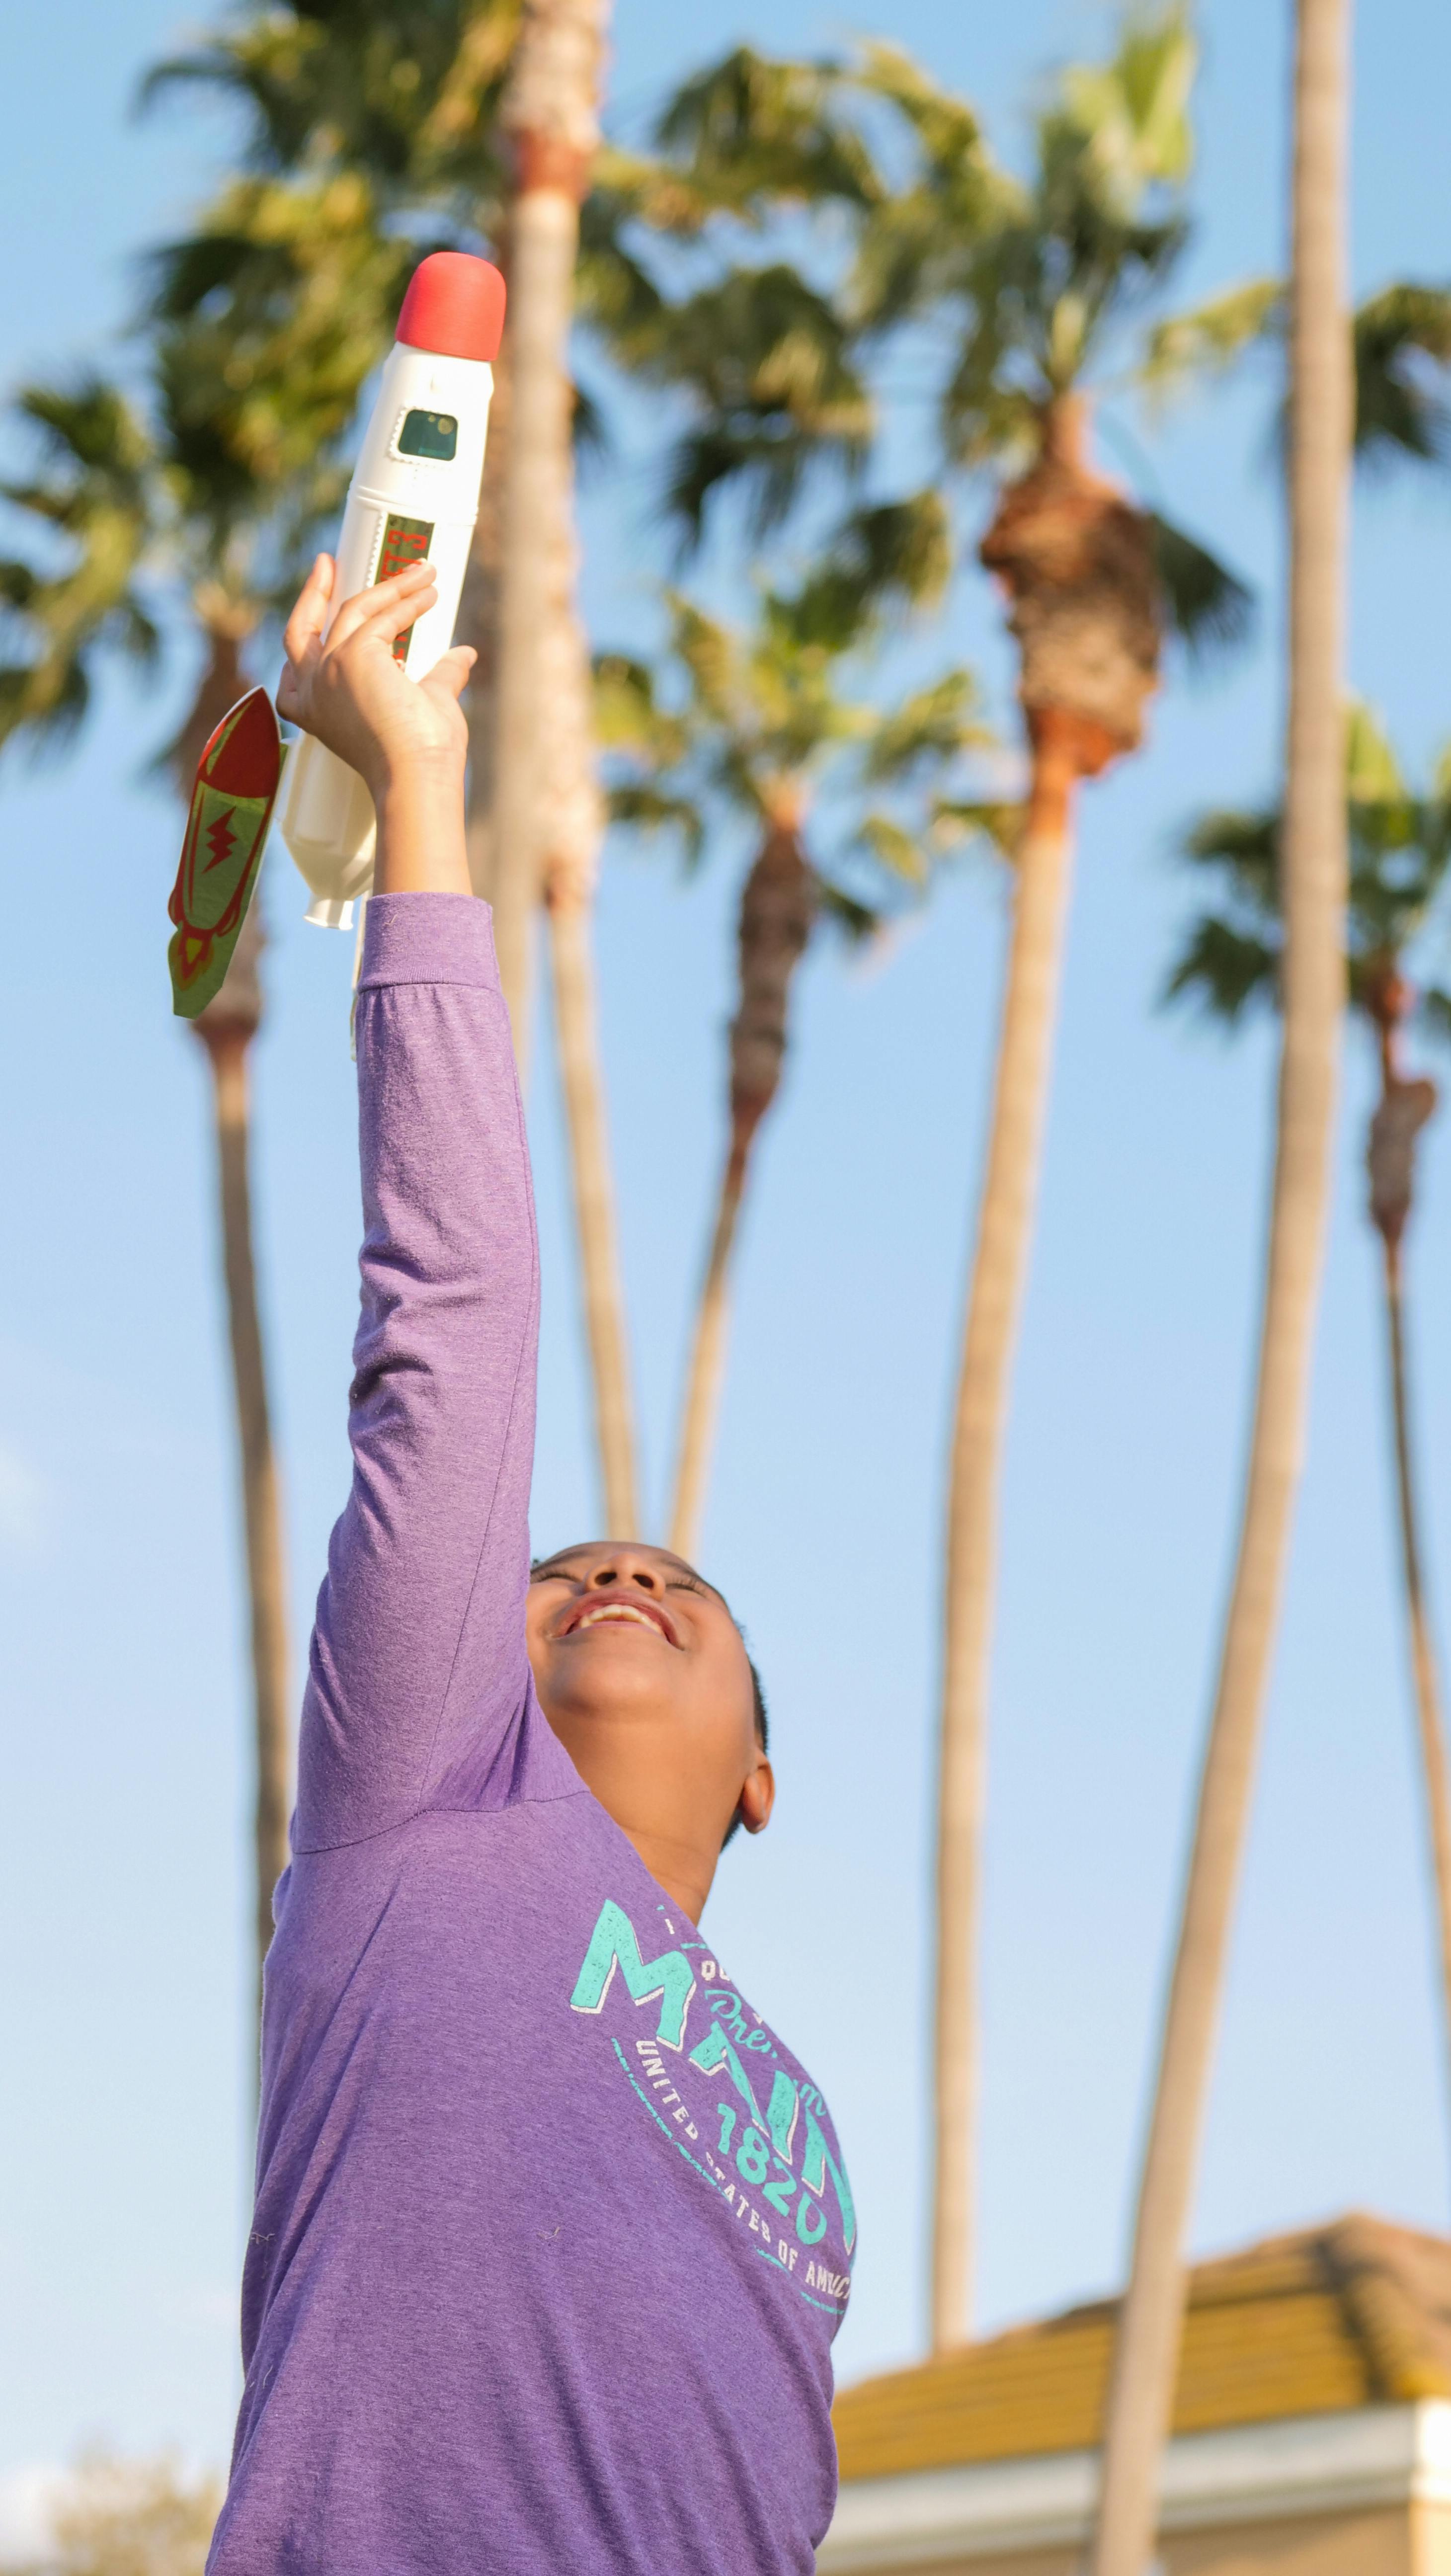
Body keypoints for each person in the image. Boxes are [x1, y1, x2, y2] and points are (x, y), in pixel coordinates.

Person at [205, 553, 855, 2576]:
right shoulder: (423, 1785)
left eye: (683, 1584)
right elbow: (455, 1313)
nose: (622, 1578)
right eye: (566, 1567)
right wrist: (417, 791)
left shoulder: (806, 2137)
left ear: (760, 1772)